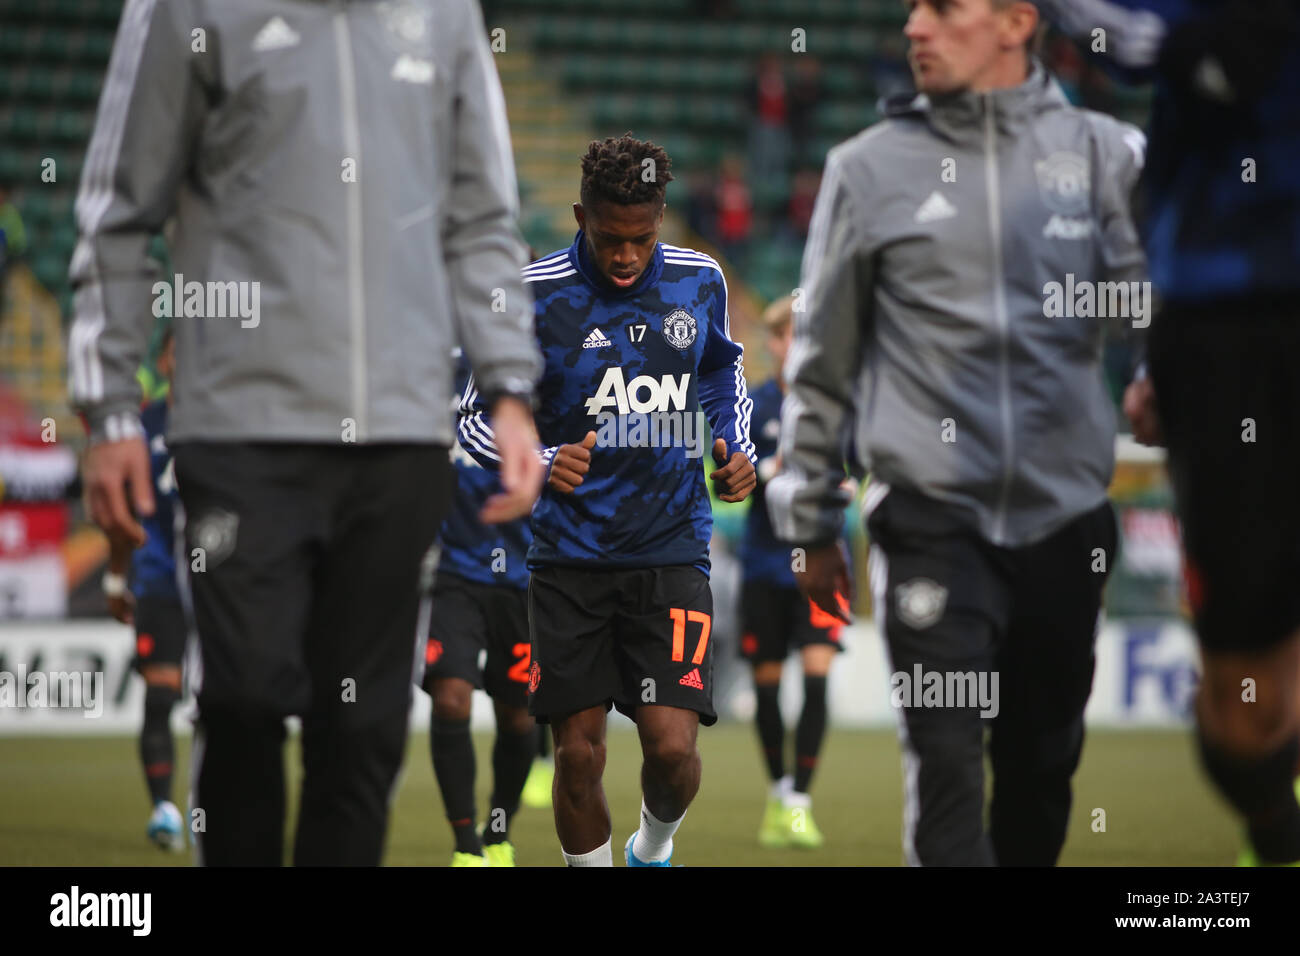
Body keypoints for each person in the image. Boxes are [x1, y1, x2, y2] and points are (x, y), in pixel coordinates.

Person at [68, 0, 542, 866]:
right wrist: (108, 409)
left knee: (361, 727)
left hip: (401, 436)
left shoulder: (444, 17)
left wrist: (509, 386)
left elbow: (480, 221)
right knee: (244, 701)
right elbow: (120, 214)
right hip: (237, 429)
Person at [768, 0, 1148, 865]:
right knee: (944, 766)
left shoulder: (1102, 153)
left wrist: (1161, 376)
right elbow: (822, 363)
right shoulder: (866, 170)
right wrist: (812, 514)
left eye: (943, 8)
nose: (914, 27)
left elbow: (1152, 303)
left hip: (1065, 520)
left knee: (1039, 775)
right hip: (929, 519)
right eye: (911, 9)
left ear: (1017, 20)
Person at [1040, 0, 1300, 866]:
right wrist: (1158, 356)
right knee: (1243, 709)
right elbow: (1140, 42)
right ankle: (1275, 831)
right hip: (1227, 323)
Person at [458, 134, 757, 866]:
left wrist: (731, 444)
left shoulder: (700, 280)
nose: (626, 256)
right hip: (569, 560)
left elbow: (721, 374)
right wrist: (541, 457)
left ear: (661, 219)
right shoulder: (533, 294)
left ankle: (652, 848)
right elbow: (470, 416)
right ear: (578, 215)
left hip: (673, 546)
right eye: (609, 237)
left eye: (642, 238)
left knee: (673, 751)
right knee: (577, 758)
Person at [738, 295, 848, 849]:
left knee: (818, 674)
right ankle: (779, 790)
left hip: (821, 566)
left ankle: (801, 798)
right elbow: (727, 477)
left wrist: (847, 485)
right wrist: (767, 470)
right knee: (767, 687)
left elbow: (858, 469)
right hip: (764, 566)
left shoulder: (835, 404)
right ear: (774, 344)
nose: (794, 347)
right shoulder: (752, 404)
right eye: (785, 337)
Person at [423, 360, 539, 868]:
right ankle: (465, 843)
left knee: (517, 714)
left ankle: (498, 830)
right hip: (456, 575)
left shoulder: (539, 373)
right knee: (451, 699)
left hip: (525, 580)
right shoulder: (435, 378)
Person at [104, 327, 186, 851]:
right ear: (163, 359)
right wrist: (115, 576)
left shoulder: (228, 428)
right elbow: (119, 511)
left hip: (224, 582)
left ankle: (216, 806)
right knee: (161, 694)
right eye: (181, 348)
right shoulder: (140, 426)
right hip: (159, 581)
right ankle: (163, 809)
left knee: (230, 703)